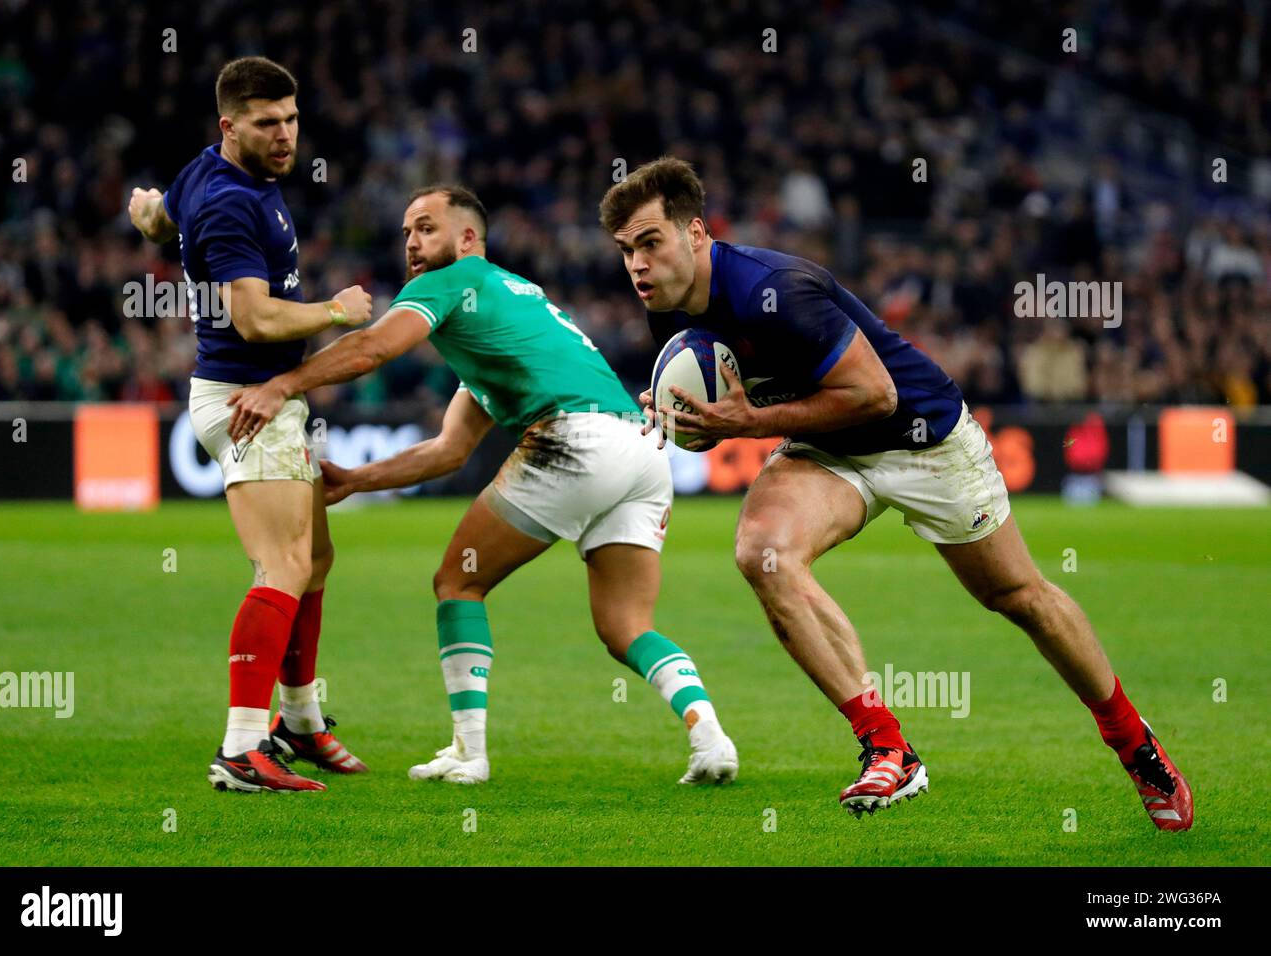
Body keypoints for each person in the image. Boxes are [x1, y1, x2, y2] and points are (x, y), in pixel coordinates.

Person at [599, 156, 1191, 829]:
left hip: (924, 438)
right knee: (764, 552)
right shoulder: (666, 312)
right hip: (830, 451)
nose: (638, 266)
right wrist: (679, 414)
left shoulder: (775, 289)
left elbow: (874, 393)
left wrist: (751, 423)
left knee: (1019, 598)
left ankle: (1132, 741)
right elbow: (730, 387)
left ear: (697, 232)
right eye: (626, 251)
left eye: (651, 243)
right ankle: (886, 745)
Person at [225, 184, 738, 785]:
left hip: (577, 441)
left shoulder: (444, 286)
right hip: (641, 453)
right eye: (407, 233)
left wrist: (282, 384)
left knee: (456, 582)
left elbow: (370, 348)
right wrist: (358, 480)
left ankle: (470, 751)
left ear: (468, 240)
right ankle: (710, 738)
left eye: (426, 228)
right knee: (626, 626)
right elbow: (450, 449)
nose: (413, 244)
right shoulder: (509, 305)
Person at [128, 56, 372, 793]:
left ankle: (298, 719)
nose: (286, 135)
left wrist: (147, 216)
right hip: (245, 398)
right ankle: (240, 747)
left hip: (261, 394)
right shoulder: (234, 200)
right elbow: (254, 315)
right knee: (283, 567)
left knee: (315, 559)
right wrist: (336, 311)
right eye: (268, 123)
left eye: (293, 120)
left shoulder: (204, 171)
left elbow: (160, 216)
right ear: (229, 125)